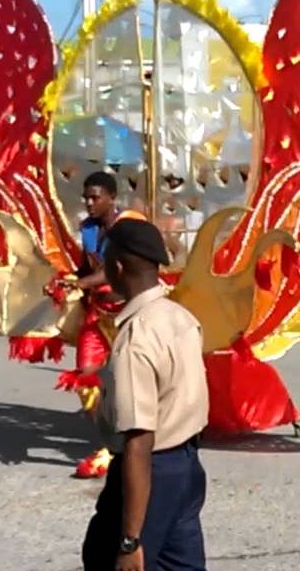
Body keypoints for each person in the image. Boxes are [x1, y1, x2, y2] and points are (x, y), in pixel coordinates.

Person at [81, 219, 208, 571]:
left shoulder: (135, 338)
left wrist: (130, 539)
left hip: (150, 473)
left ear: (118, 267)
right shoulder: (180, 317)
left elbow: (139, 440)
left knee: (109, 560)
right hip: (186, 465)